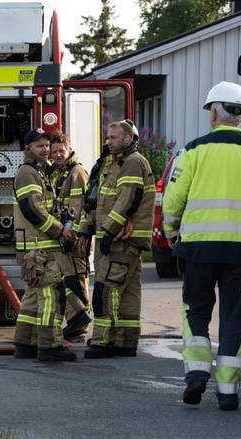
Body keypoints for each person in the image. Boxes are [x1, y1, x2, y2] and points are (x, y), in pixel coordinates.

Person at [162, 82, 241, 411]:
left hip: (198, 249)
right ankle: (228, 391)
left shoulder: (192, 150)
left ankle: (197, 374)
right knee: (234, 317)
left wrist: (171, 233)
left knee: (196, 311)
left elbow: (173, 199)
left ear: (215, 112)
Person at [74, 120, 155, 359]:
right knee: (128, 291)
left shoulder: (133, 163)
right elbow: (97, 201)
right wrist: (85, 230)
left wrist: (108, 232)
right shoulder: (114, 164)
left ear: (129, 139)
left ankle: (103, 341)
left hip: (122, 239)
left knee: (105, 289)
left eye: (114, 137)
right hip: (120, 238)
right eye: (108, 137)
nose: (108, 141)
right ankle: (126, 341)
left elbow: (125, 201)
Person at [12, 129, 77, 362]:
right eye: (39, 145)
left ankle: (25, 343)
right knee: (51, 296)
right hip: (39, 247)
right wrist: (60, 230)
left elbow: (43, 206)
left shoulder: (40, 172)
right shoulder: (28, 173)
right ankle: (50, 346)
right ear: (27, 149)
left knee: (32, 297)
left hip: (37, 247)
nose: (45, 149)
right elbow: (32, 209)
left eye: (46, 144)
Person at [48, 130, 92, 342]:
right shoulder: (56, 173)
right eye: (54, 151)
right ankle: (76, 322)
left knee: (75, 279)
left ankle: (80, 324)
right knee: (64, 278)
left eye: (61, 150)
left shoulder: (76, 172)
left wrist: (72, 234)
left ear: (69, 149)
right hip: (61, 234)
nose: (57, 154)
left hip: (71, 237)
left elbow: (78, 207)